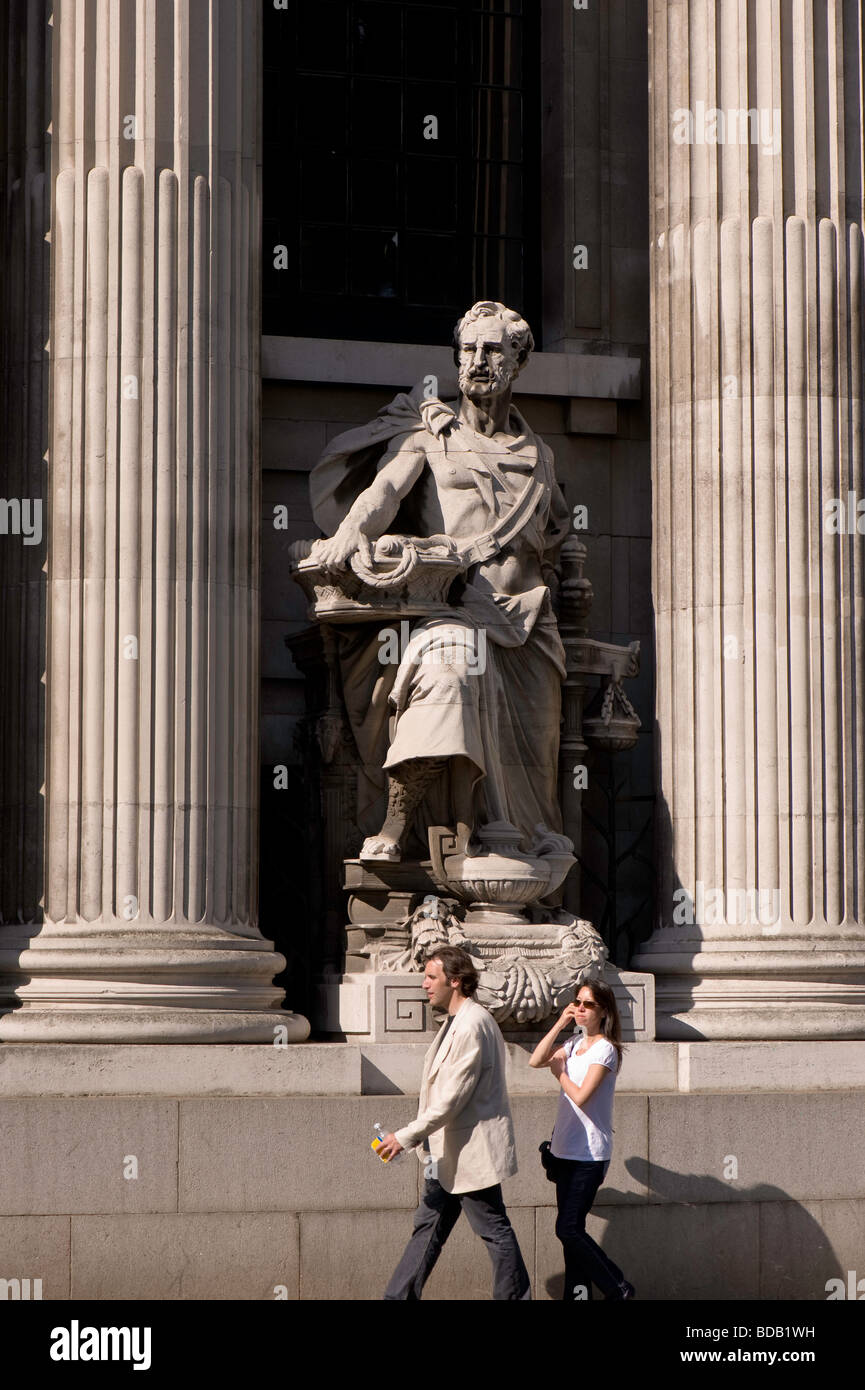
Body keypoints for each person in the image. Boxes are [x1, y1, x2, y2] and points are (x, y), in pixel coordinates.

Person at [306, 300, 571, 864]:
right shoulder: (429, 437)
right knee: (447, 676)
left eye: (493, 350)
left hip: (530, 622)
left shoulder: (540, 455)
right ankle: (396, 828)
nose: (478, 361)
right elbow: (384, 494)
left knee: (536, 763)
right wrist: (352, 530)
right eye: (468, 350)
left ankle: (526, 856)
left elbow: (554, 536)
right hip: (452, 607)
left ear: (518, 362)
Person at [377, 945, 531, 1300]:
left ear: (456, 981)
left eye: (432, 977)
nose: (424, 985)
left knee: (493, 1230)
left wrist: (404, 1136)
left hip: (469, 1153)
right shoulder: (457, 1022)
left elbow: (451, 1099)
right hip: (446, 1153)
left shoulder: (472, 1025)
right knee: (428, 1227)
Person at [529, 977, 635, 1300]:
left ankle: (618, 1287)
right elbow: (535, 1059)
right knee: (572, 1236)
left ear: (603, 1011)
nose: (581, 1009)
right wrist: (561, 1020)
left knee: (568, 1229)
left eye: (588, 1004)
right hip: (563, 1152)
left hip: (589, 1155)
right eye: (578, 1002)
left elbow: (581, 1096)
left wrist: (559, 1073)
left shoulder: (606, 1050)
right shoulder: (574, 1044)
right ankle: (578, 1297)